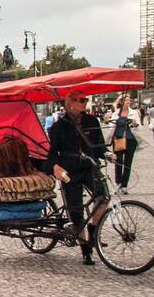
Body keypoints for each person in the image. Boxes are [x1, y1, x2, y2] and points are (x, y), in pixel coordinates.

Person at [45, 93, 108, 265]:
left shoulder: (92, 122)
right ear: (70, 103)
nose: (85, 102)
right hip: (69, 170)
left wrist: (108, 154)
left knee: (103, 197)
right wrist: (56, 167)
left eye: (85, 99)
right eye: (81, 100)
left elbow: (100, 146)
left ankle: (93, 229)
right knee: (76, 211)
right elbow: (51, 155)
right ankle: (85, 249)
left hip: (89, 167)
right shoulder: (58, 127)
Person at [111, 94, 138, 192]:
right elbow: (111, 125)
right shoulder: (116, 113)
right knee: (118, 162)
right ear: (121, 102)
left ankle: (124, 185)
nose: (128, 102)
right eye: (126, 100)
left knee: (128, 163)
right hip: (118, 139)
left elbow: (139, 126)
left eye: (129, 100)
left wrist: (134, 124)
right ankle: (118, 182)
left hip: (131, 140)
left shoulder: (134, 112)